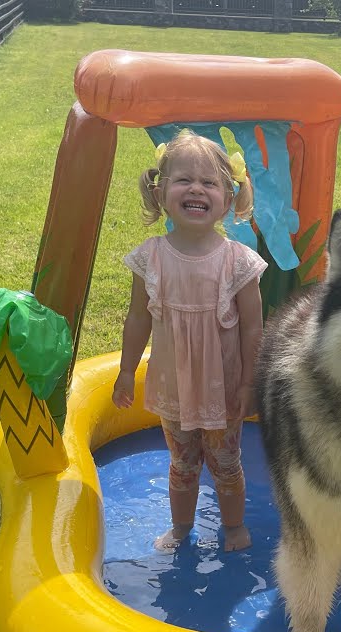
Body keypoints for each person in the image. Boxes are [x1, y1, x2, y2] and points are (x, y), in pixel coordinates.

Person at [112, 130, 267, 553]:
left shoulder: (238, 263)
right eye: (184, 180)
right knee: (181, 464)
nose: (196, 188)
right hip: (175, 387)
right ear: (161, 192)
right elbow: (137, 317)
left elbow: (254, 328)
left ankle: (232, 526)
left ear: (229, 196)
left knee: (226, 463)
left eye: (210, 182)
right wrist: (127, 371)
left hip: (224, 386)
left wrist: (249, 384)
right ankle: (181, 527)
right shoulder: (150, 258)